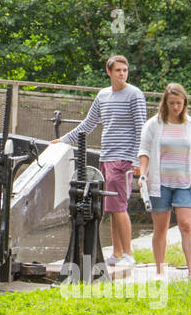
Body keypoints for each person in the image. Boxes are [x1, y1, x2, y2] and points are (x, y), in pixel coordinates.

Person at [62, 54, 147, 271]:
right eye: (118, 70)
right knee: (110, 207)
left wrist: (138, 159)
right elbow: (88, 124)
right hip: (106, 156)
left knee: (119, 206)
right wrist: (62, 141)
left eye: (125, 70)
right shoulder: (103, 95)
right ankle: (117, 253)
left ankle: (128, 253)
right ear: (109, 72)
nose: (122, 74)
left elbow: (141, 128)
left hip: (124, 157)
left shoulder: (134, 94)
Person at [139, 83, 191, 280]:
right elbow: (144, 151)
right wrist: (143, 174)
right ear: (165, 103)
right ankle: (160, 271)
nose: (176, 107)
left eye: (179, 103)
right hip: (160, 183)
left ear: (184, 103)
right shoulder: (154, 124)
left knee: (186, 224)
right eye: (172, 103)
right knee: (160, 228)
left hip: (186, 182)